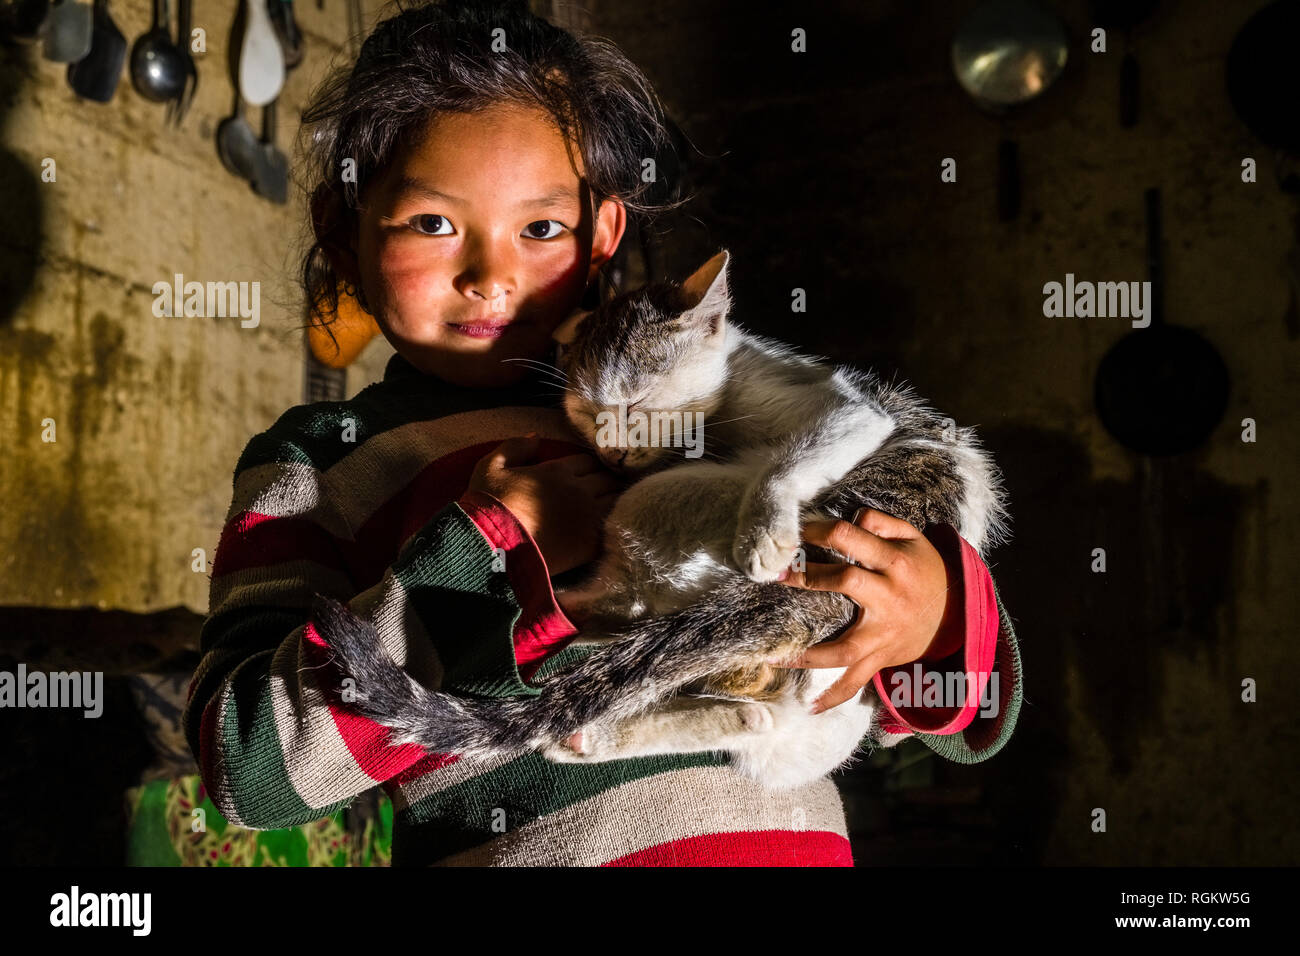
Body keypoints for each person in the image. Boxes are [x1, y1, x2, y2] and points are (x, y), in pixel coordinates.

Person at [182, 0, 1022, 866]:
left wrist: (938, 614)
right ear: (341, 229)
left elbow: (918, 701)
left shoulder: (681, 410)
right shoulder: (322, 463)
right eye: (433, 222)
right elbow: (250, 772)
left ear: (601, 235)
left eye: (541, 228)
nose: (490, 275)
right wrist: (484, 553)